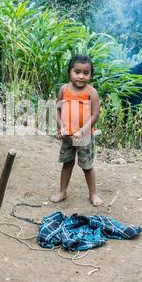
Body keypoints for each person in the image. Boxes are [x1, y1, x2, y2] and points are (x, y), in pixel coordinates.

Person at [50, 54, 103, 207]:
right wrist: (61, 127)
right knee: (67, 163)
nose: (81, 76)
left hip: (84, 137)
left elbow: (95, 115)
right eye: (77, 72)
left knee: (87, 166)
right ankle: (63, 191)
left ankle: (93, 193)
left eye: (86, 73)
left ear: (90, 75)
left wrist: (83, 131)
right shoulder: (64, 90)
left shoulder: (91, 93)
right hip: (67, 136)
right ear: (69, 72)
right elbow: (58, 110)